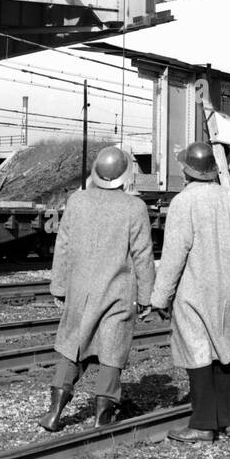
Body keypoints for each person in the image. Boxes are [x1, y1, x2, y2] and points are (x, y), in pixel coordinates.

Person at [38, 144, 155, 431]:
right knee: (112, 351)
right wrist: (147, 295)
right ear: (125, 174)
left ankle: (54, 412)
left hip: (80, 290)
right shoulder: (135, 207)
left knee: (72, 346)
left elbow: (62, 247)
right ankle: (103, 416)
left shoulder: (77, 201)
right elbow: (142, 255)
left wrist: (59, 287)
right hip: (118, 291)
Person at [150, 141, 230, 443]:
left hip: (195, 288)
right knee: (223, 352)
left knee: (197, 351)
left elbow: (174, 254)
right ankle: (229, 420)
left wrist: (160, 296)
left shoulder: (184, 202)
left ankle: (202, 424)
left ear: (187, 172)